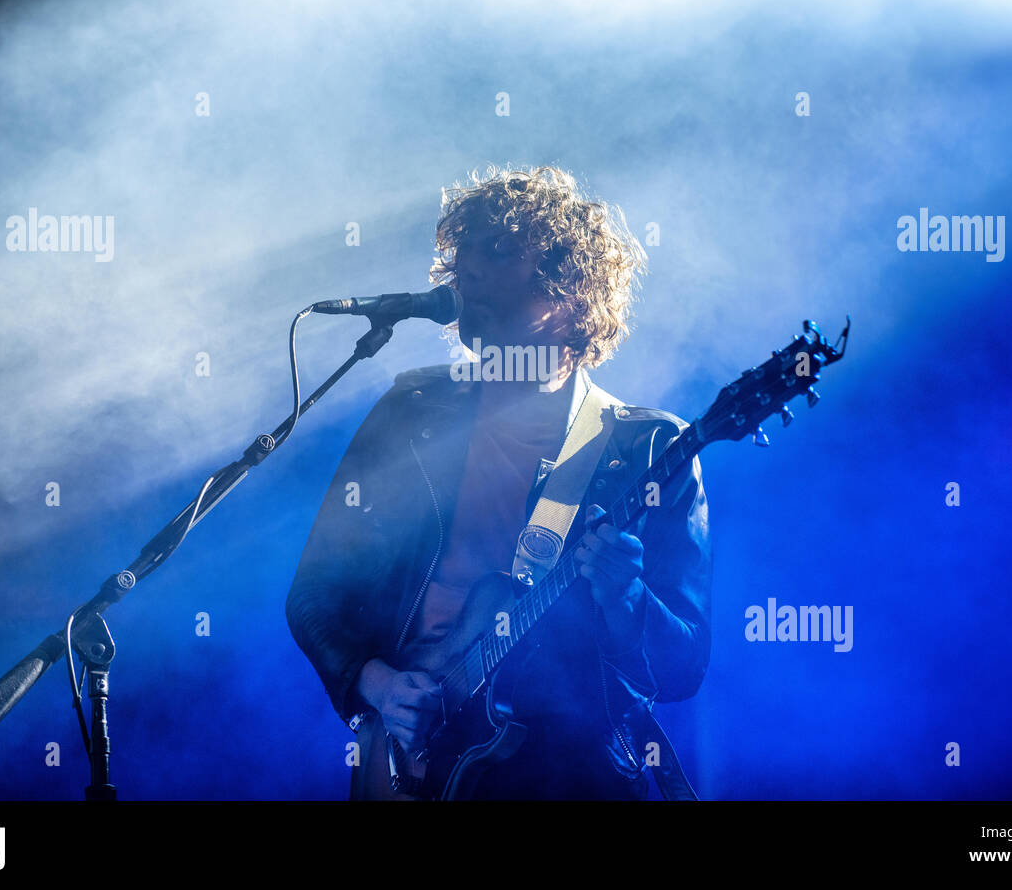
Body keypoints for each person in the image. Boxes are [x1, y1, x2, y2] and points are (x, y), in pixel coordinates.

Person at [287, 165, 711, 799]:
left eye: (502, 250)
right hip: (407, 762)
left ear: (571, 291)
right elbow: (316, 591)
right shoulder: (411, 412)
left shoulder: (648, 449)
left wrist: (626, 600)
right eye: (465, 252)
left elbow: (682, 669)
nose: (468, 270)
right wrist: (378, 686)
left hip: (568, 776)